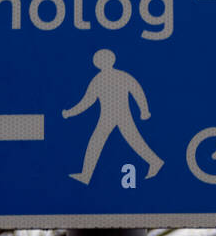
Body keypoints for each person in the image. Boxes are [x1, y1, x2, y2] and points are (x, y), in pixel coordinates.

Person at [62, 49, 163, 184]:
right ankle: (86, 175)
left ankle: (86, 175)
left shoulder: (112, 78)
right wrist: (70, 112)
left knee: (109, 141)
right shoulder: (102, 79)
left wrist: (144, 110)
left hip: (118, 115)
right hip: (109, 116)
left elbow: (136, 91)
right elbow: (87, 101)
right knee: (103, 141)